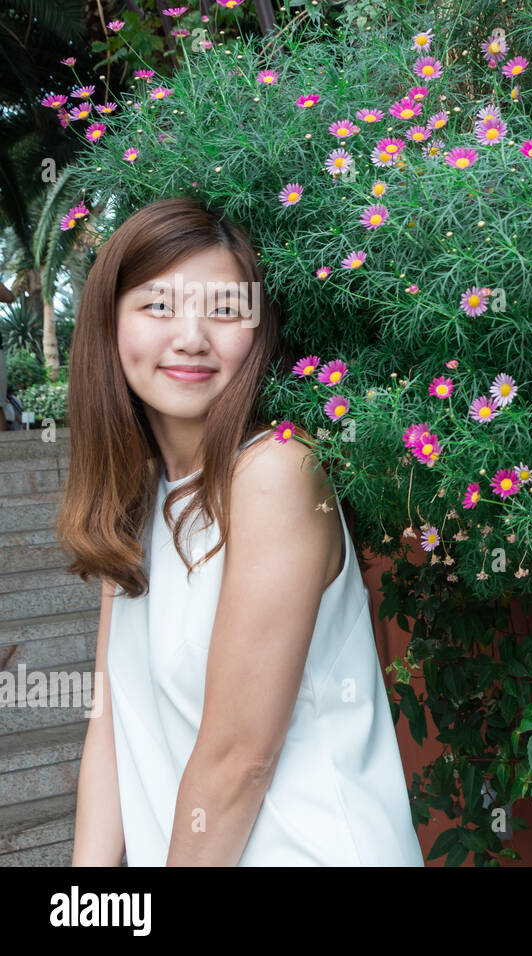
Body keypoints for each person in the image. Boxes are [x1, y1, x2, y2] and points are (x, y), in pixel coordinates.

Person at [59, 196, 424, 866]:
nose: (192, 336)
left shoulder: (276, 473)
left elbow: (238, 762)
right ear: (109, 325)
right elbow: (111, 723)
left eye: (225, 310)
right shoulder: (138, 499)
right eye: (157, 304)